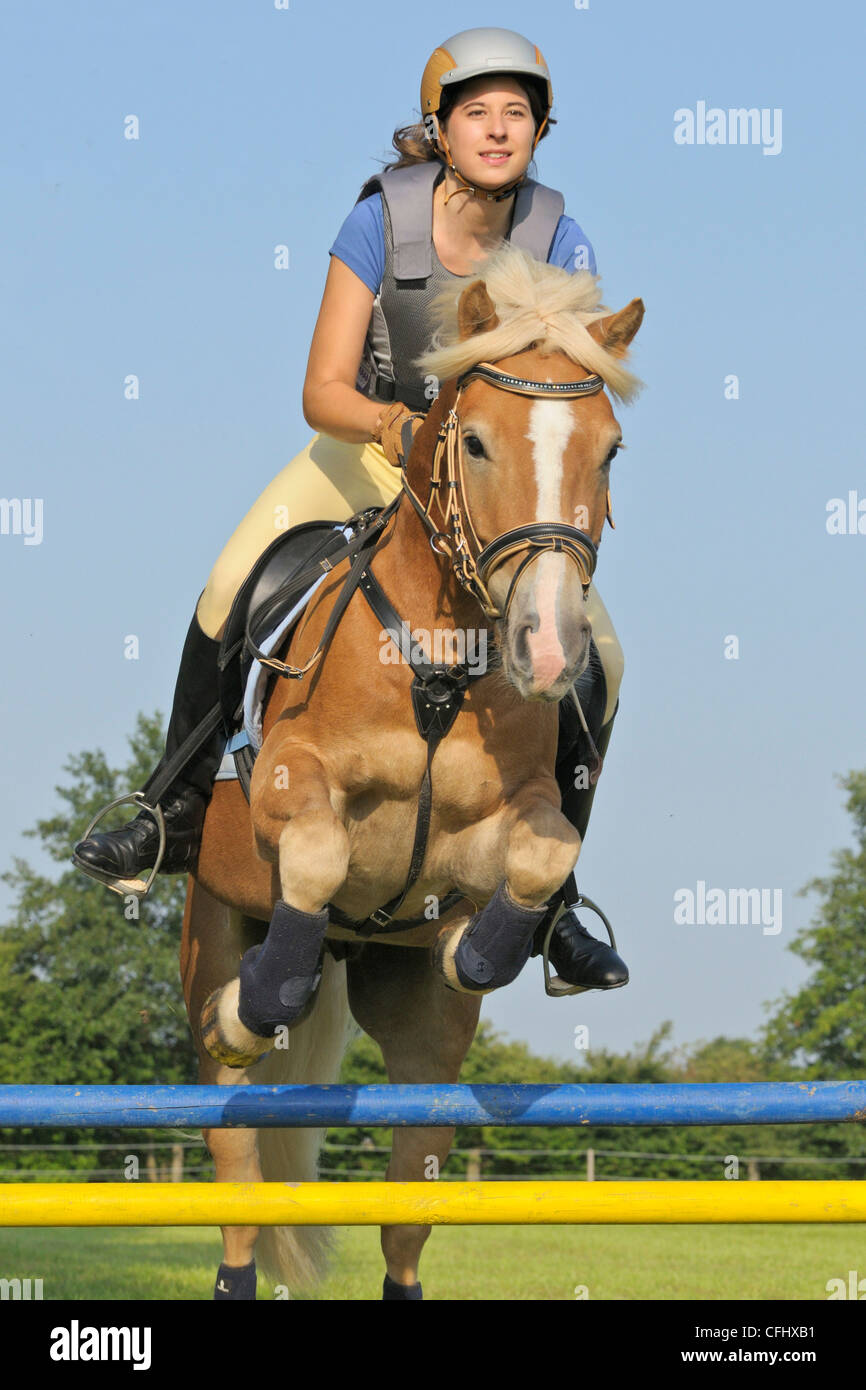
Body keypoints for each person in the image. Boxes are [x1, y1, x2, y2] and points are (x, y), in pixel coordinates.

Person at [73, 26, 628, 991]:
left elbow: (561, 392)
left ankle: (554, 894)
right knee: (228, 583)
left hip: (490, 485)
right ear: (440, 129)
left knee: (602, 657)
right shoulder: (379, 221)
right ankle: (171, 806)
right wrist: (396, 427)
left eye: (518, 115)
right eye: (477, 113)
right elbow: (322, 386)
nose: (499, 131)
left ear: (541, 129)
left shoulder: (560, 236)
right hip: (368, 451)